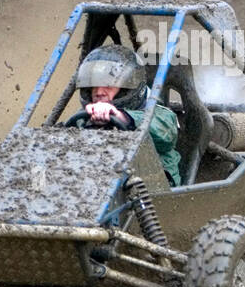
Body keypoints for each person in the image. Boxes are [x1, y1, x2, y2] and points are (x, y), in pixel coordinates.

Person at [73, 43, 182, 186]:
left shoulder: (162, 115)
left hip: (153, 192)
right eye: (94, 86)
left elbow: (165, 135)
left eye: (108, 86)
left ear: (127, 89)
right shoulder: (83, 118)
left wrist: (121, 117)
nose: (99, 92)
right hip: (99, 186)